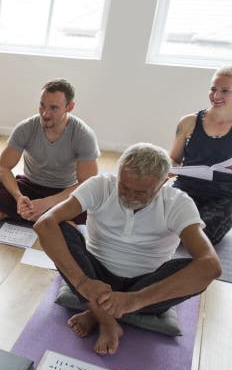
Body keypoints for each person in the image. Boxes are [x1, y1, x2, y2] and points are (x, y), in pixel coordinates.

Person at [34, 143, 220, 356]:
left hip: (144, 286)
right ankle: (107, 321)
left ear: (162, 184)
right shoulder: (101, 185)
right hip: (94, 275)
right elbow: (44, 223)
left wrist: (135, 300)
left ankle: (96, 312)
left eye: (140, 192)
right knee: (58, 229)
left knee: (196, 269)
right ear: (118, 174)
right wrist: (83, 283)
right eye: (124, 187)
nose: (129, 197)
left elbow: (211, 265)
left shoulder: (177, 202)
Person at [0, 79, 100, 224]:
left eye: (54, 108)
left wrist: (46, 203)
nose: (45, 113)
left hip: (63, 193)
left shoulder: (83, 135)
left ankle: (19, 213)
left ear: (69, 107)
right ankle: (53, 220)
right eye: (42, 105)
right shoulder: (26, 128)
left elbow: (87, 183)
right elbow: (3, 167)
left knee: (95, 208)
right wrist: (18, 197)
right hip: (29, 188)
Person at [170, 66, 232, 245]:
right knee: (161, 220)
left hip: (224, 195)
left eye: (224, 91)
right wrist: (169, 168)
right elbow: (174, 158)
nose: (216, 96)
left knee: (206, 235)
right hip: (186, 187)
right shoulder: (189, 122)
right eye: (213, 89)